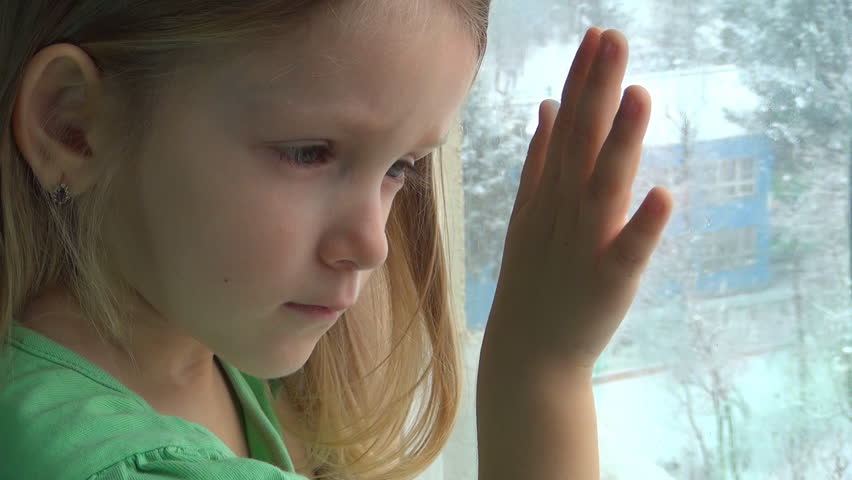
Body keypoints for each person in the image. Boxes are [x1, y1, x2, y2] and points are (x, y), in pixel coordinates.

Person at [0, 1, 673, 479]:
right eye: (309, 153)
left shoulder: (204, 341)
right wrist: (542, 371)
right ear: (71, 126)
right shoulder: (122, 467)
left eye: (400, 167)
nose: (373, 244)